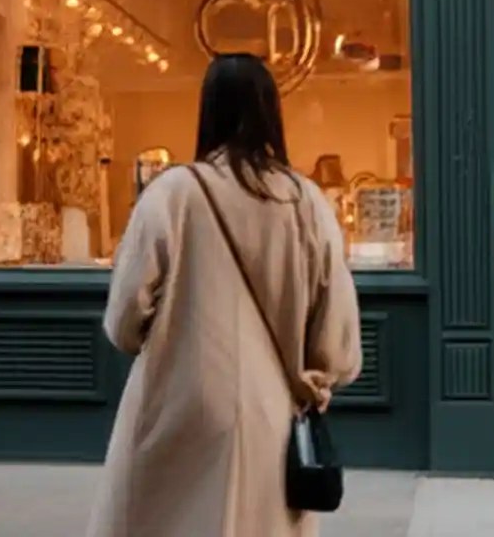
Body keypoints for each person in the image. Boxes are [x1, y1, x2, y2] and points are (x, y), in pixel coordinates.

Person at [87, 52, 363, 537]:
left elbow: (125, 317)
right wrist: (317, 379)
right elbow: (337, 337)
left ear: (207, 109)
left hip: (178, 399)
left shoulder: (173, 192)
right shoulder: (305, 201)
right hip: (271, 412)